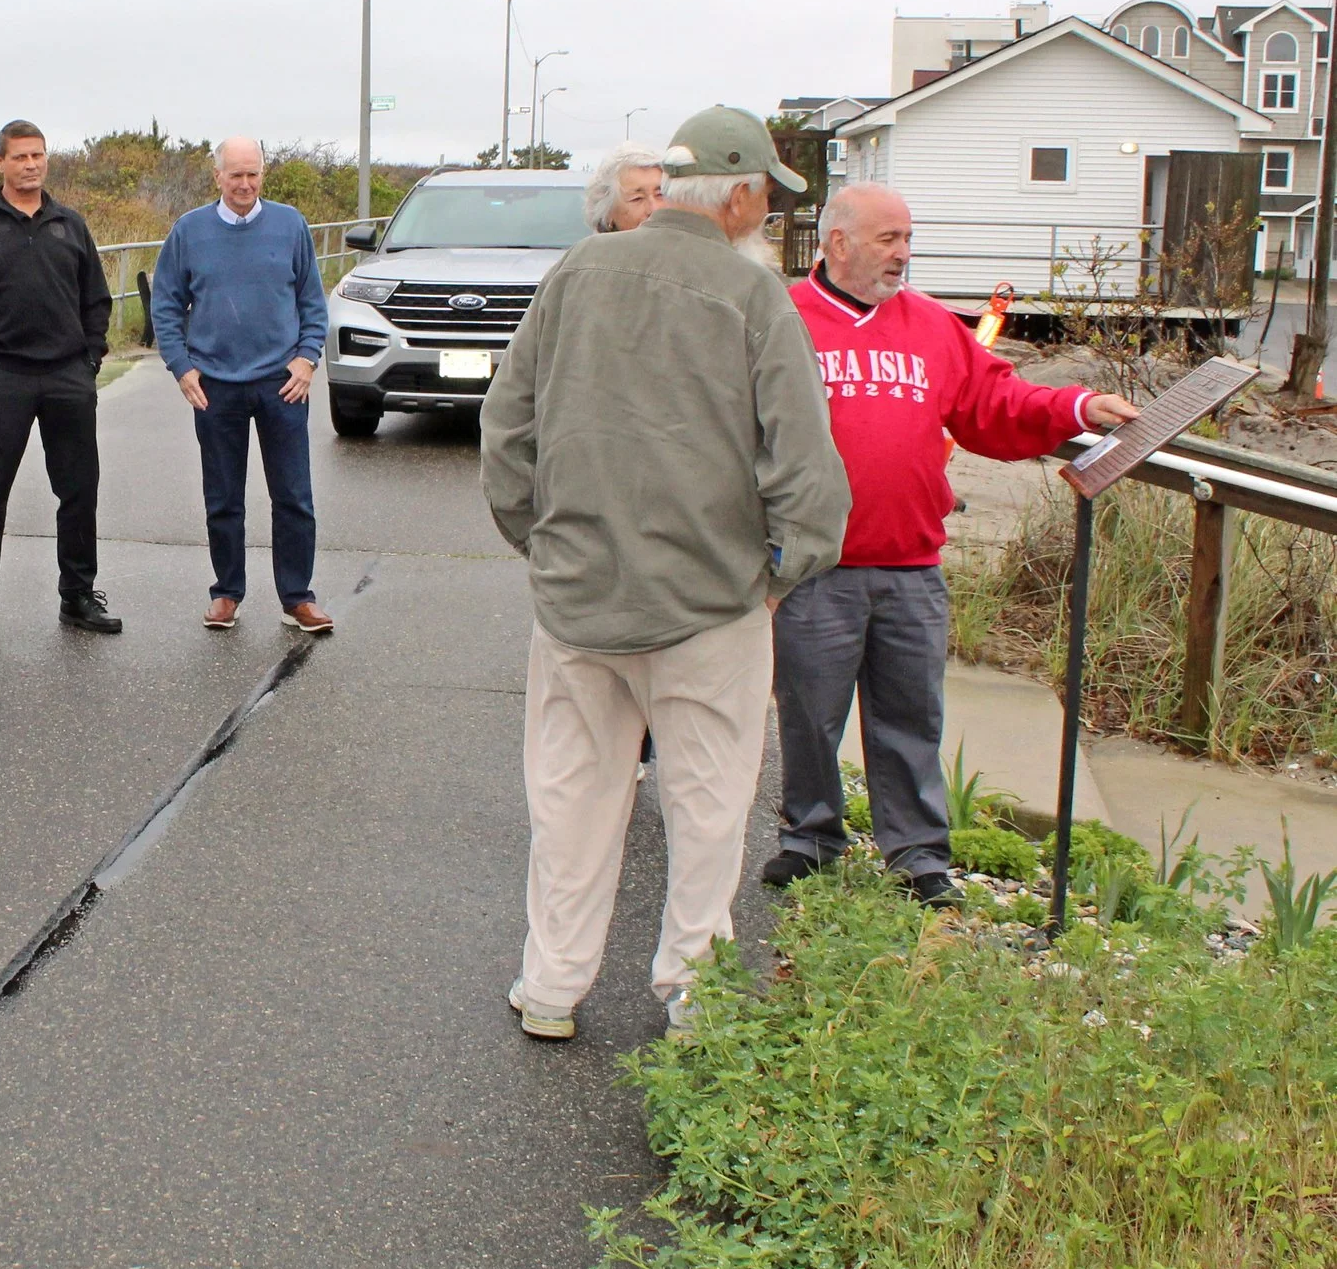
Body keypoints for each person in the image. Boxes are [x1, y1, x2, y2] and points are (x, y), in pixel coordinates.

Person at [481, 105, 850, 1042]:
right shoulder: (754, 296)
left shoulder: (577, 273)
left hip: (579, 597)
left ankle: (551, 985)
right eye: (766, 196)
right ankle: (693, 997)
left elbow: (507, 427)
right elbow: (806, 467)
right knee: (708, 807)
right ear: (738, 197)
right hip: (710, 606)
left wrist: (540, 544)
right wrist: (779, 572)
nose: (767, 211)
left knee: (571, 799)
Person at [762, 184, 1138, 899]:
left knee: (911, 718)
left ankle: (918, 855)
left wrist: (1079, 406)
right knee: (808, 715)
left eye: (907, 238)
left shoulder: (932, 326)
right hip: (814, 567)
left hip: (911, 565)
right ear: (838, 242)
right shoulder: (783, 319)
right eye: (888, 239)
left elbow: (996, 405)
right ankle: (810, 840)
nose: (902, 253)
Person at [0, 120, 119, 639]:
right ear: (1, 162)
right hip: (0, 376)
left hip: (66, 377)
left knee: (78, 491)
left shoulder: (69, 224)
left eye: (38, 155)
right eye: (20, 156)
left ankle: (78, 595)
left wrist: (90, 359)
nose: (30, 165)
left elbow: (97, 300)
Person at [150, 136, 332, 632]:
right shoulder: (189, 231)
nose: (245, 184)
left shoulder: (291, 225)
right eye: (236, 175)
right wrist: (181, 366)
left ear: (262, 174)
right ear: (218, 177)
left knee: (293, 497)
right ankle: (227, 592)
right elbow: (165, 304)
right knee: (224, 498)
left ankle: (297, 597)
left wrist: (307, 359)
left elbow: (312, 303)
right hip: (215, 386)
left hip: (282, 384)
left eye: (253, 174)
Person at [584, 141, 664, 234]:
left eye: (660, 194)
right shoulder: (592, 244)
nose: (654, 209)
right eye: (637, 199)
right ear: (608, 216)